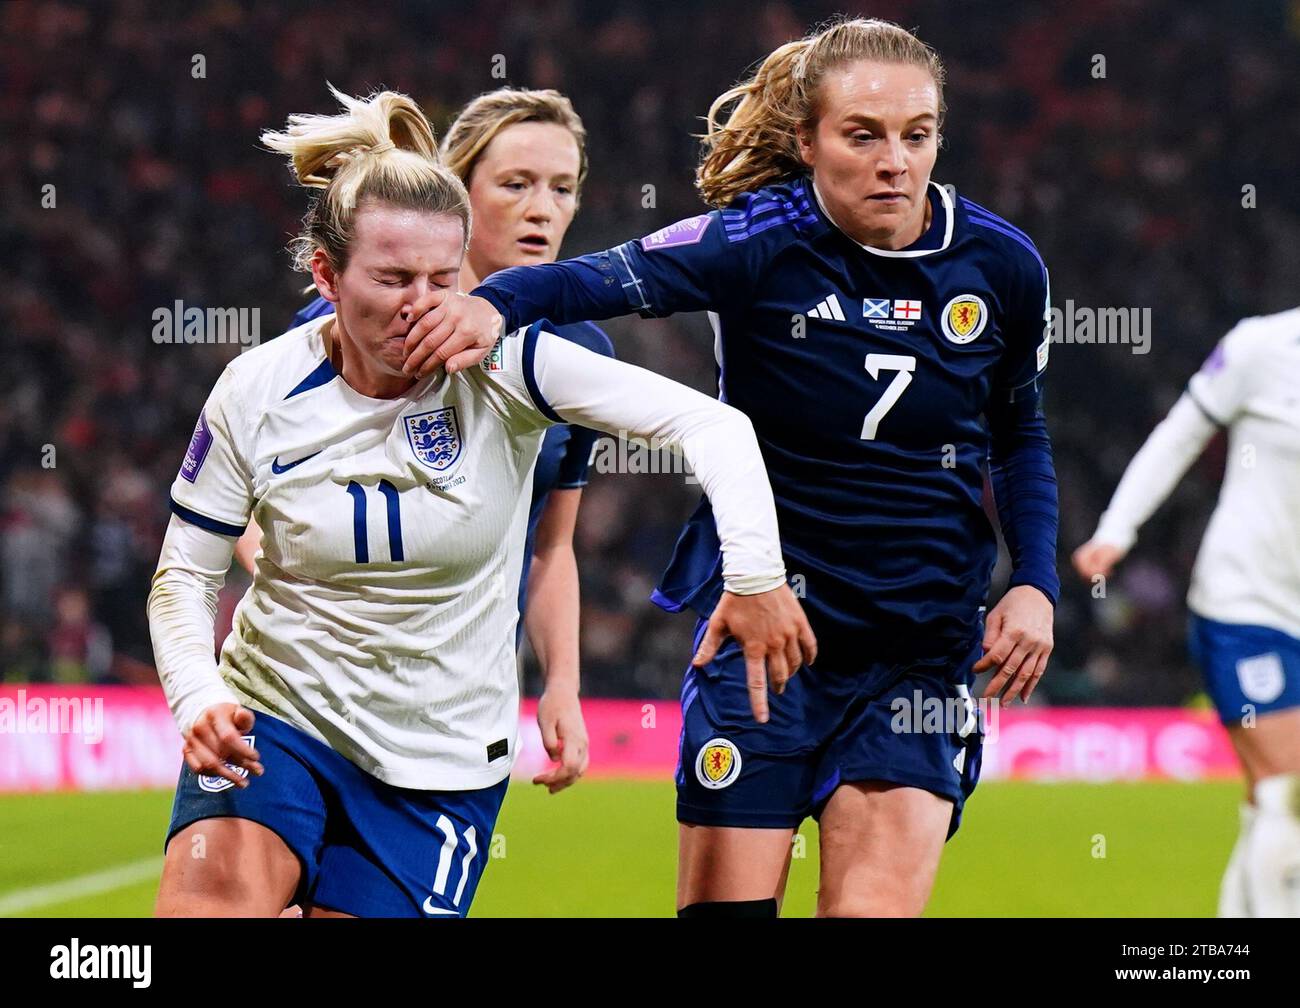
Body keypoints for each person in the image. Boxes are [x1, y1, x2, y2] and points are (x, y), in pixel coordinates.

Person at [395, 17, 1059, 917]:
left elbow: (1021, 437)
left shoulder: (1004, 267)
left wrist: (1038, 584)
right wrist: (493, 307)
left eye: (919, 134)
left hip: (920, 652)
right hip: (766, 636)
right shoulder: (755, 240)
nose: (896, 162)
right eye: (863, 136)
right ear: (808, 141)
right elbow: (594, 279)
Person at [147, 85, 814, 918]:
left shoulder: (521, 365)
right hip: (279, 716)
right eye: (391, 279)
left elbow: (710, 432)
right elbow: (185, 571)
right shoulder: (258, 386)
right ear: (327, 277)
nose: (421, 303)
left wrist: (754, 577)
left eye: (439, 278)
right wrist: (199, 695)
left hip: (441, 757)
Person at [235, 88, 611, 796]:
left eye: (563, 188)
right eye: (516, 183)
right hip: (310, 688)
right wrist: (321, 601)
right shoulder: (342, 321)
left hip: (454, 704)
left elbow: (550, 546)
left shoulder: (579, 352)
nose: (542, 208)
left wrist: (562, 685)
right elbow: (246, 502)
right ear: (460, 194)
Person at [1073, 310, 1300, 917]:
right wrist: (1117, 529)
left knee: (1269, 802)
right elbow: (1181, 431)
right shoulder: (1262, 346)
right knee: (1290, 789)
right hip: (1246, 602)